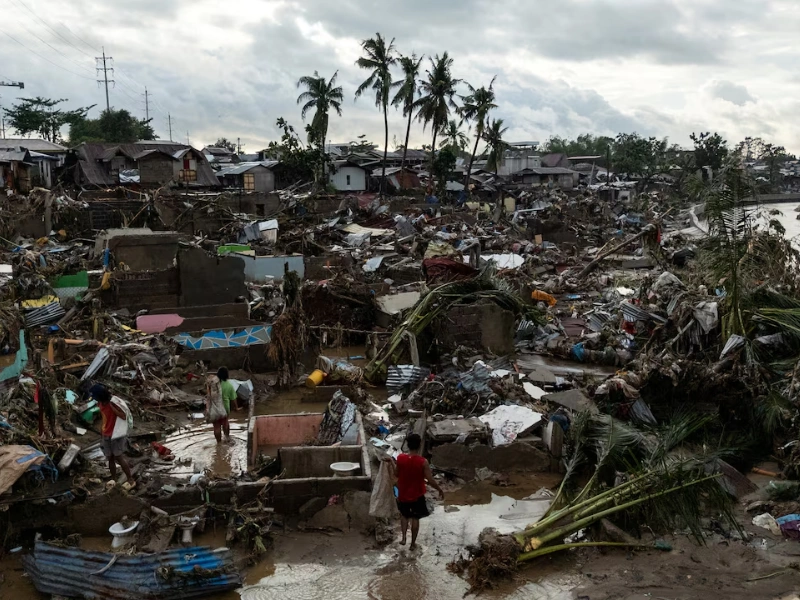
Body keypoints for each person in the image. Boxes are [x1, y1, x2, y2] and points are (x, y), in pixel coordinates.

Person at [390, 433, 444, 550]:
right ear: (419, 445)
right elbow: (430, 480)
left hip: (403, 493)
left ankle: (403, 538)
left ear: (408, 445)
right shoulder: (423, 462)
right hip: (417, 494)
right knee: (415, 517)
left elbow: (396, 474)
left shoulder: (401, 458)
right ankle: (412, 544)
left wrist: (392, 463)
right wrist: (439, 489)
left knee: (404, 515)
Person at [90, 383, 134, 485]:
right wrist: (102, 431)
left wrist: (113, 408)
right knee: (110, 457)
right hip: (106, 432)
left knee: (118, 456)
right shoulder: (100, 403)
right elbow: (104, 417)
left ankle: (130, 478)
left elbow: (124, 416)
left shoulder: (113, 403)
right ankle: (113, 479)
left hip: (116, 434)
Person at [206, 372, 230, 444]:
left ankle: (219, 443)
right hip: (222, 410)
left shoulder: (210, 393)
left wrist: (207, 411)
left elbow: (208, 400)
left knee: (216, 427)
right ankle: (227, 438)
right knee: (225, 423)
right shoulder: (220, 389)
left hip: (214, 412)